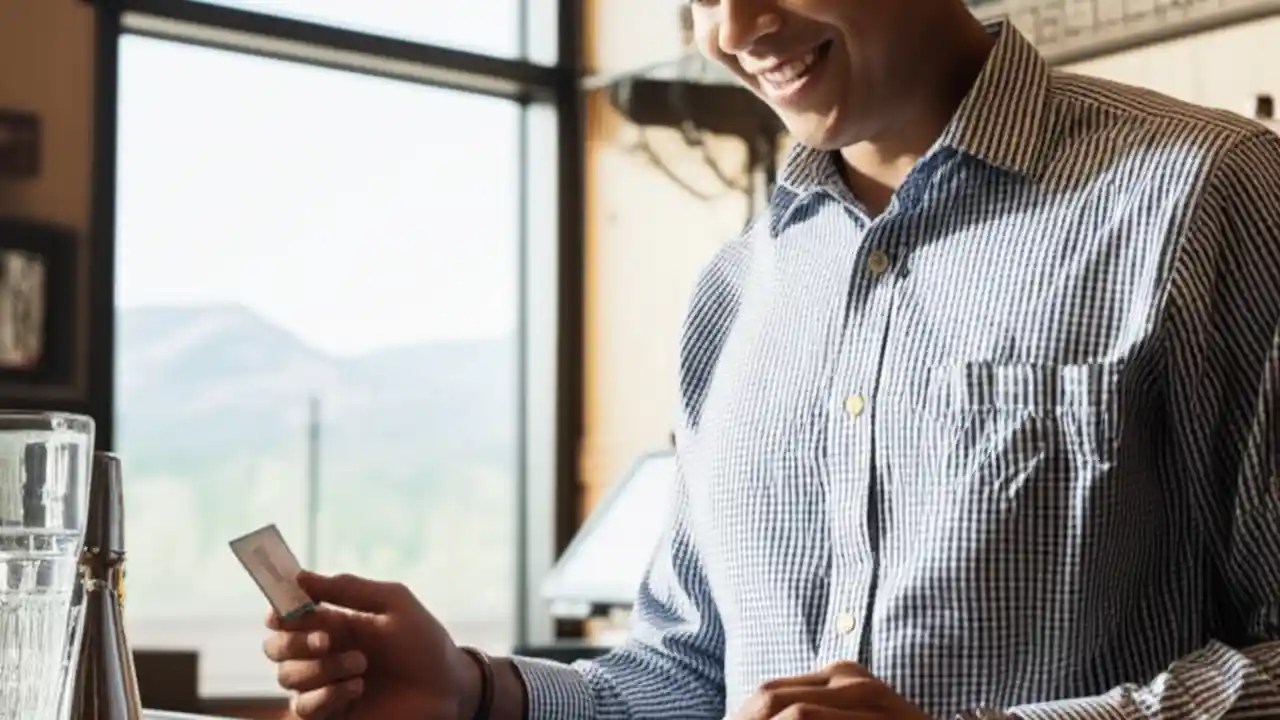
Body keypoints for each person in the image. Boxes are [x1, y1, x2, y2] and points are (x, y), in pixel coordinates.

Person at [263, 1, 1280, 718]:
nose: (735, 26)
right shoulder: (737, 289)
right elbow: (689, 675)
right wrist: (475, 692)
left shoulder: (1211, 195)